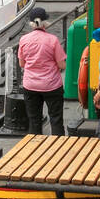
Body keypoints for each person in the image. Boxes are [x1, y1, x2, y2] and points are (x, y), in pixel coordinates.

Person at [18, 7, 66, 136]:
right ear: (45, 22)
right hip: (51, 85)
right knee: (56, 119)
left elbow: (22, 63)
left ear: (31, 23)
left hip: (30, 85)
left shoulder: (23, 39)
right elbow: (62, 64)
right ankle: (59, 149)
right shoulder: (53, 40)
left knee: (34, 121)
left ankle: (35, 150)